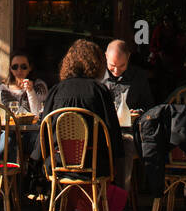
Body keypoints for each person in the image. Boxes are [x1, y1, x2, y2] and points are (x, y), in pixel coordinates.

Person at [41, 39, 124, 184]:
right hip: (94, 164)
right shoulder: (99, 91)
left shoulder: (56, 90)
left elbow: (44, 130)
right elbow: (112, 134)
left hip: (59, 163)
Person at [102, 40, 153, 112]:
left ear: (128, 56)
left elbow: (148, 106)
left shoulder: (138, 76)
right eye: (112, 65)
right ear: (106, 56)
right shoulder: (97, 76)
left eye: (122, 66)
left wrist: (138, 112)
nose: (116, 71)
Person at [0, 52, 47, 116]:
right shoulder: (3, 88)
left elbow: (38, 113)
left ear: (30, 68)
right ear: (10, 69)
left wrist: (30, 91)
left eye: (23, 67)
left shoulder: (39, 86)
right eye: (15, 67)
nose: (19, 70)